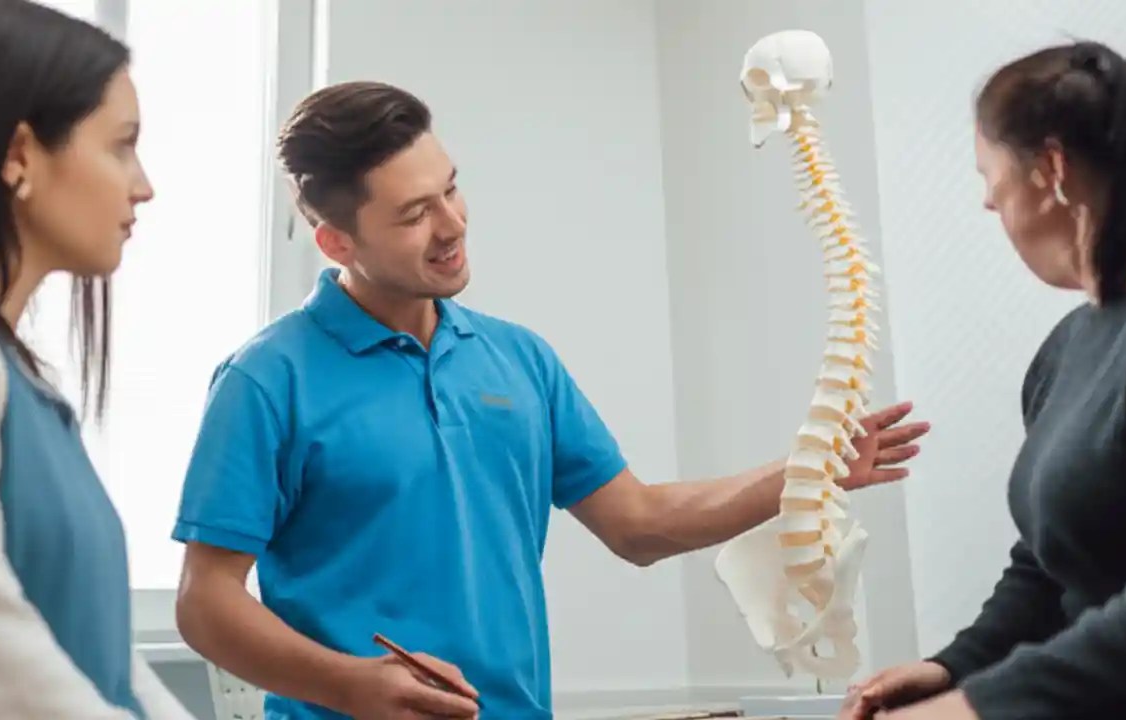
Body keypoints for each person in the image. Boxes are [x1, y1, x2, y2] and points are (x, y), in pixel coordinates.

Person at [170, 79, 929, 720]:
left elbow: (638, 525)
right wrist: (353, 687)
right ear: (336, 243)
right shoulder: (265, 380)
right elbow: (206, 602)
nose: (453, 225)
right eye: (413, 215)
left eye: (452, 188)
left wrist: (805, 471)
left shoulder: (520, 359)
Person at [839, 40, 1126, 720]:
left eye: (988, 175)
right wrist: (951, 667)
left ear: (1051, 170)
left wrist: (976, 706)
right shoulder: (1064, 352)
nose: (989, 205)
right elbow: (1047, 568)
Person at [0, 1, 194, 718]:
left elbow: (104, 662)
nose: (143, 184)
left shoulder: (19, 373)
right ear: (20, 154)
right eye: (121, 145)